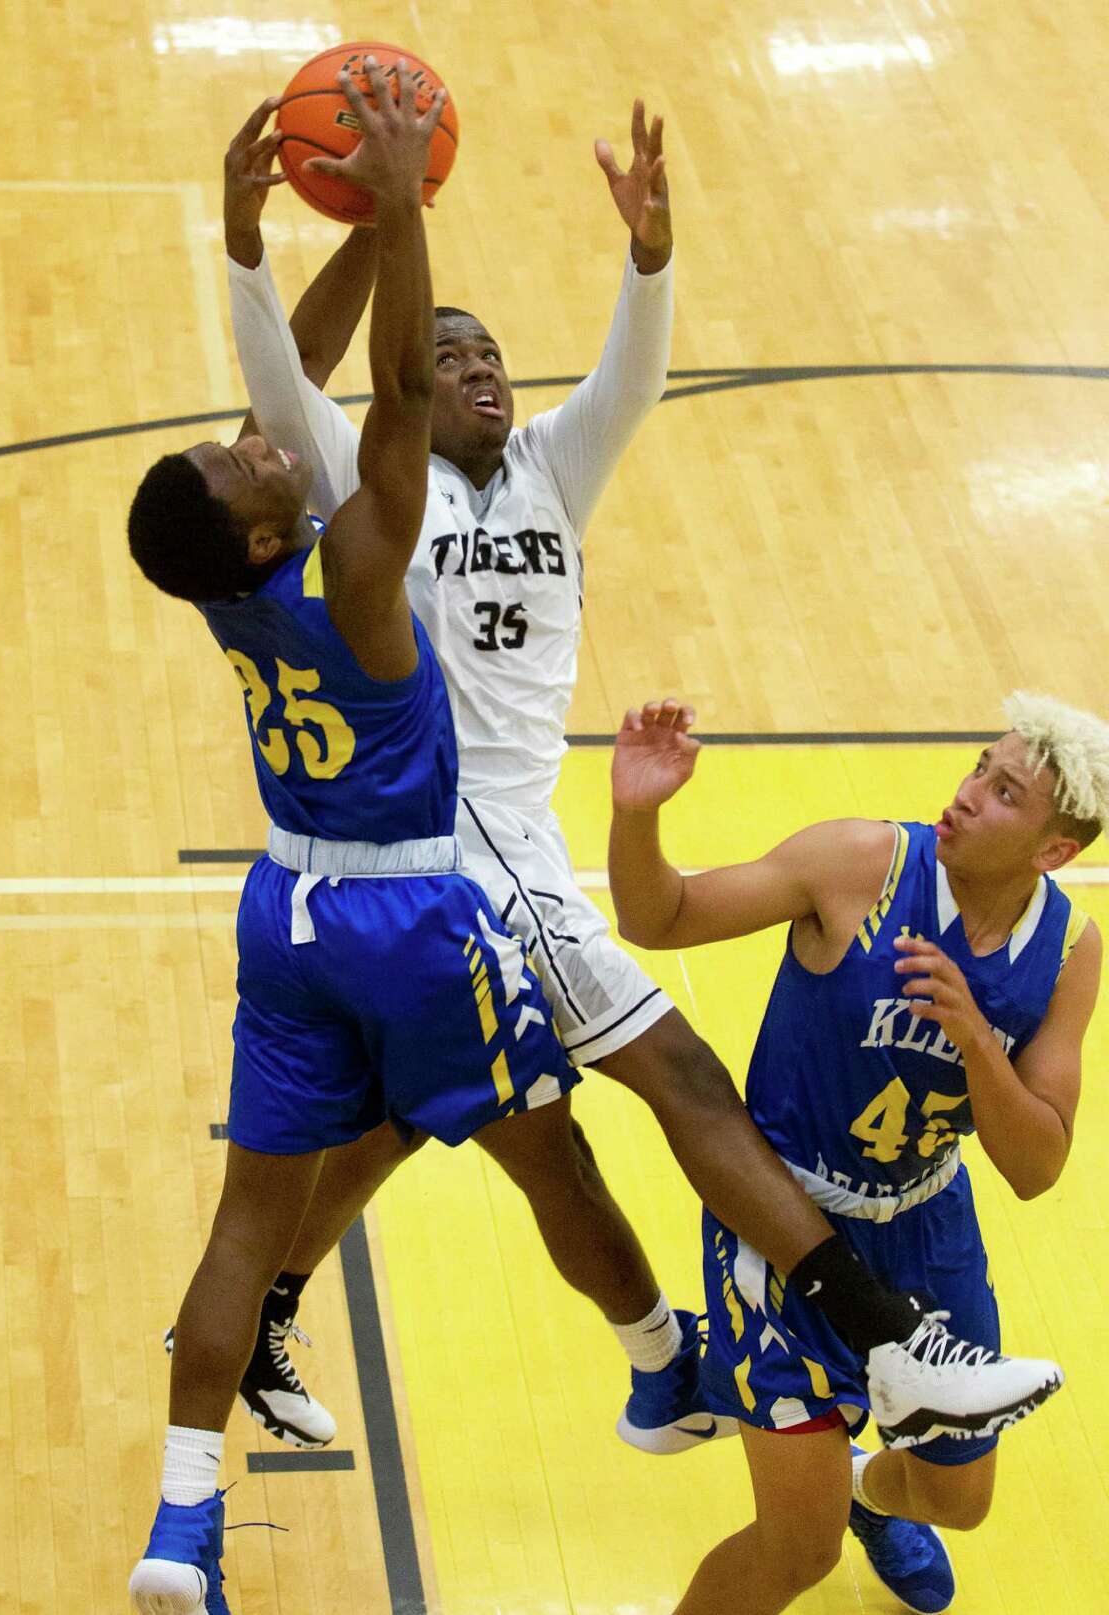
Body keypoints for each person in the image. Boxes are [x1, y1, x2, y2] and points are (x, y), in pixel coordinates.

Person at [223, 92, 1067, 1462]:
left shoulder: (555, 467)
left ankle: (264, 1306)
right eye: (449, 354)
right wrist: (257, 244)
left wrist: (650, 258)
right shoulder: (374, 492)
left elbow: (635, 378)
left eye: (495, 352)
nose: (483, 368)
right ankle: (885, 1346)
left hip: (519, 844)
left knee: (408, 1112)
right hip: (449, 849)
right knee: (680, 1073)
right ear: (408, 388)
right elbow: (278, 387)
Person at [124, 70, 585, 1614]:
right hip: (408, 907)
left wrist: (259, 242)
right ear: (267, 532)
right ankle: (669, 1350)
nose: (262, 445)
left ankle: (179, 1525)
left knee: (248, 1220)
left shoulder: (227, 579)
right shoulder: (359, 566)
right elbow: (387, 392)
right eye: (252, 467)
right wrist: (400, 215)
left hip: (286, 910)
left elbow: (296, 392)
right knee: (546, 1125)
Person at [607, 692, 1102, 1615]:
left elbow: (1039, 1168)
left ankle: (873, 1493)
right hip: (783, 1220)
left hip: (925, 1224)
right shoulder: (862, 863)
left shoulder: (1070, 948)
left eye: (1002, 793)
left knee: (958, 1502)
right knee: (796, 1548)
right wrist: (639, 813)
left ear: (1052, 851)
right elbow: (660, 917)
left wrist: (976, 1037)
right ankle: (756, 1384)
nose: (964, 793)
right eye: (978, 767)